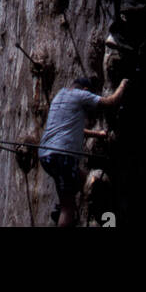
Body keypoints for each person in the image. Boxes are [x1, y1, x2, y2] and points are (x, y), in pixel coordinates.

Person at [38, 76, 128, 227]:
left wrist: (97, 134)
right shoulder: (81, 95)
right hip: (62, 155)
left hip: (46, 155)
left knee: (83, 180)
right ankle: (64, 212)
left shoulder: (60, 96)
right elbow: (110, 102)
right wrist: (124, 84)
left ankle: (59, 209)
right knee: (69, 207)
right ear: (86, 90)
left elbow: (72, 128)